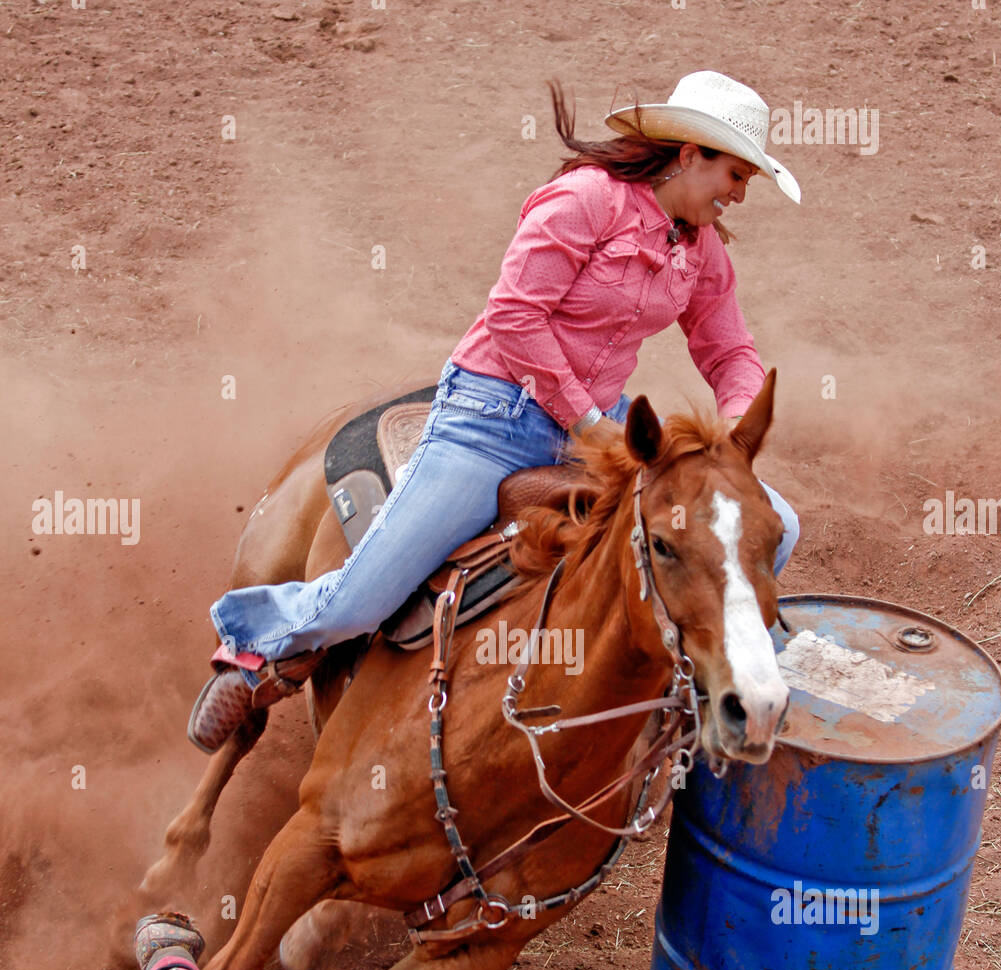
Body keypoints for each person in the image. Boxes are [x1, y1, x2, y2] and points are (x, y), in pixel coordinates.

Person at [188, 70, 802, 752]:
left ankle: (693, 676)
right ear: (689, 153)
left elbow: (731, 352)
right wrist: (583, 420)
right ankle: (258, 648)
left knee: (780, 524)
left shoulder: (700, 251)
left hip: (596, 427)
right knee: (360, 600)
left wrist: (737, 439)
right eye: (736, 174)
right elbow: (515, 315)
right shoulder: (585, 201)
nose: (740, 194)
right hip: (494, 420)